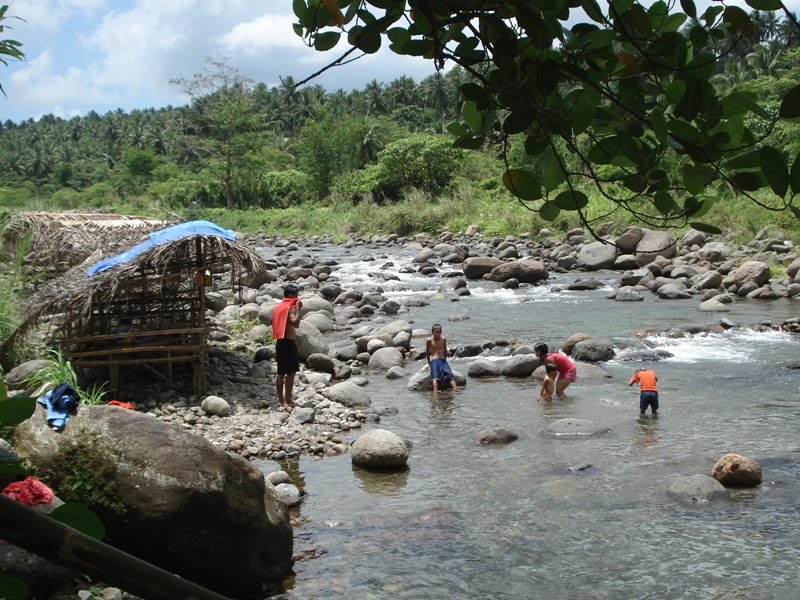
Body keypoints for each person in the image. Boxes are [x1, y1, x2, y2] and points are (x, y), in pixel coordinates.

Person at [271, 284, 302, 408]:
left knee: (281, 372)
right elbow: (295, 323)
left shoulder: (278, 307)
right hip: (289, 343)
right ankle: (288, 400)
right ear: (291, 296)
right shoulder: (290, 308)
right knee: (291, 372)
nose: (297, 298)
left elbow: (271, 321)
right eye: (296, 296)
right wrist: (298, 309)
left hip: (280, 342)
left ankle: (280, 400)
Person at [426, 323, 457, 392]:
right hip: (434, 359)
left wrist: (445, 360)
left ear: (441, 332)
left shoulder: (443, 339)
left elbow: (445, 350)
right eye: (435, 332)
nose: (437, 334)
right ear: (432, 332)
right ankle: (435, 392)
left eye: (438, 332)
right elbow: (427, 352)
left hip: (442, 359)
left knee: (450, 375)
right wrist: (429, 362)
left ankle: (455, 391)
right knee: (435, 377)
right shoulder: (429, 340)